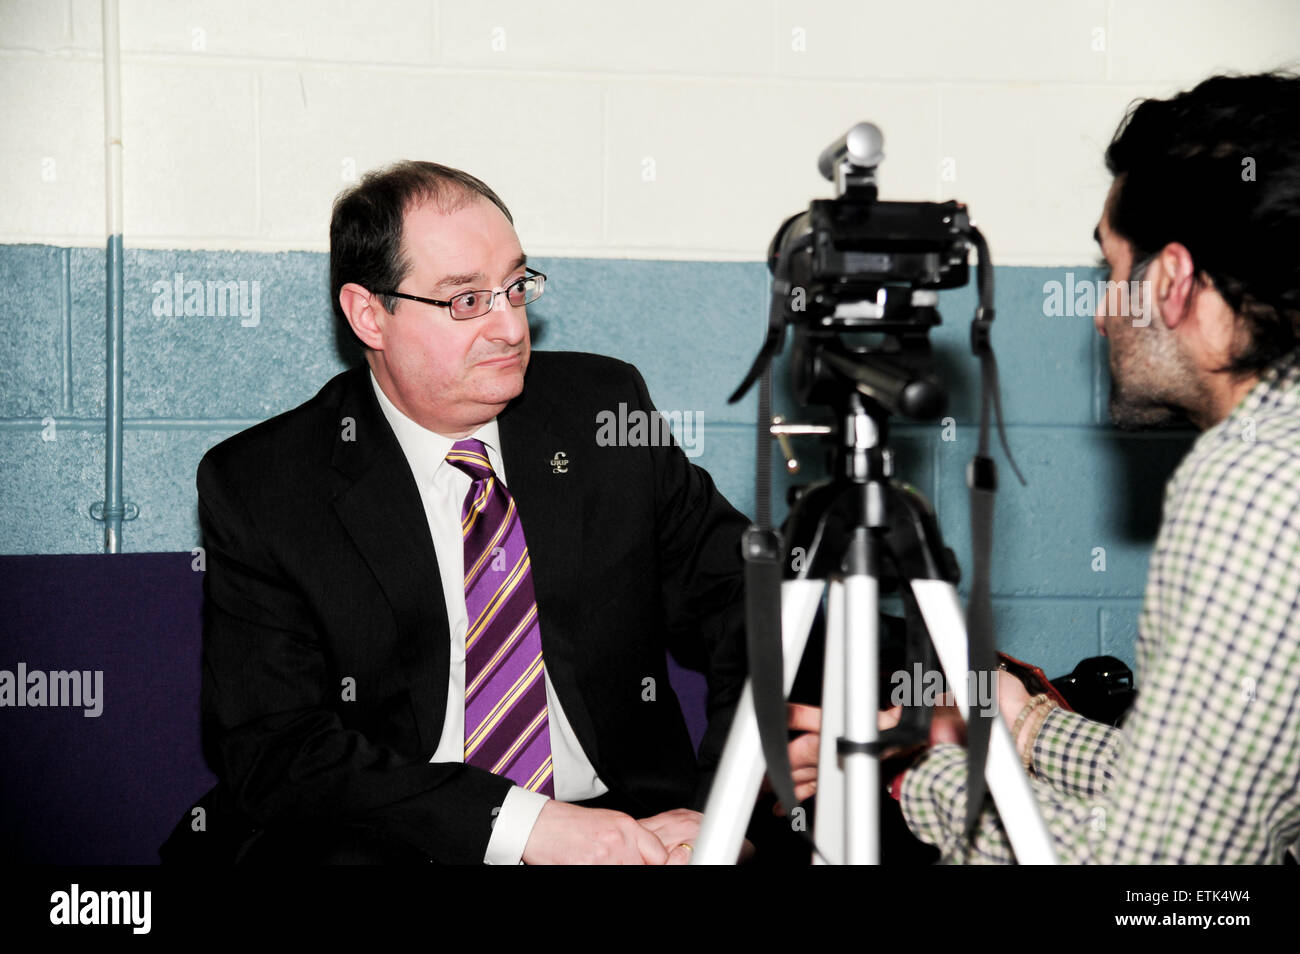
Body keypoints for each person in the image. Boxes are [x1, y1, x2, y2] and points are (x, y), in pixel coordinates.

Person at [169, 161, 751, 865]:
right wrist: (527, 826)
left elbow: (751, 605)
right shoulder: (266, 485)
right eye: (466, 301)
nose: (510, 327)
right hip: (390, 844)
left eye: (516, 286)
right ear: (369, 315)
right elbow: (277, 747)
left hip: (632, 835)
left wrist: (726, 813)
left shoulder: (602, 415)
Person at [787, 72, 1300, 863]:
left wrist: (912, 773)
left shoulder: (1250, 485)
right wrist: (1020, 721)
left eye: (1110, 272)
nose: (1099, 315)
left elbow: (1159, 886)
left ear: (1171, 280)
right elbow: (1208, 797)